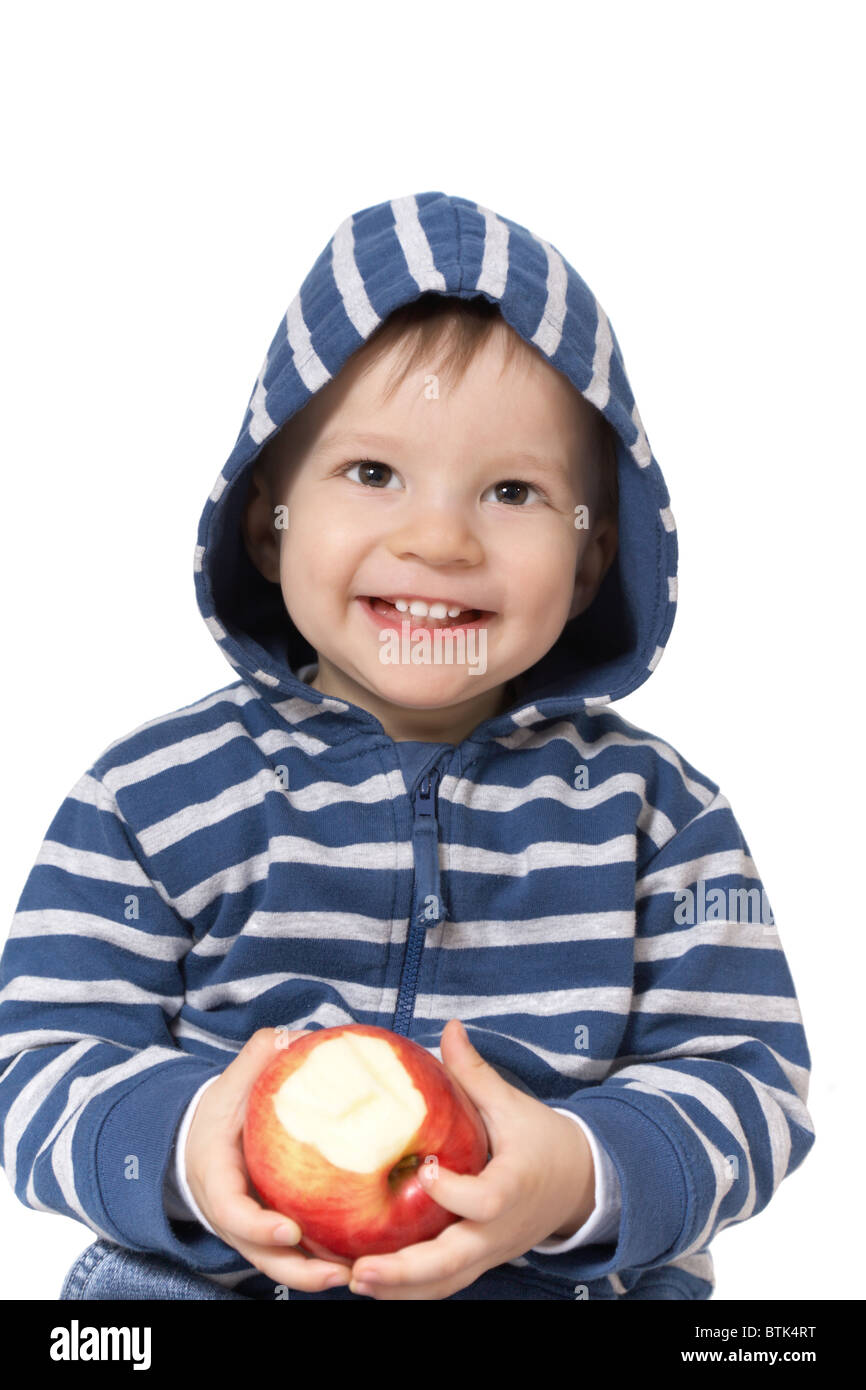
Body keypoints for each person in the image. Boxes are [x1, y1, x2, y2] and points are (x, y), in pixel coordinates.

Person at [0, 191, 814, 1301]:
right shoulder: (147, 798)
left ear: (589, 559)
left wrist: (576, 1177)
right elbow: (36, 1068)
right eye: (371, 474)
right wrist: (191, 1147)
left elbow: (751, 1085)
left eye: (513, 491)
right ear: (263, 517)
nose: (438, 538)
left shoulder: (657, 818)